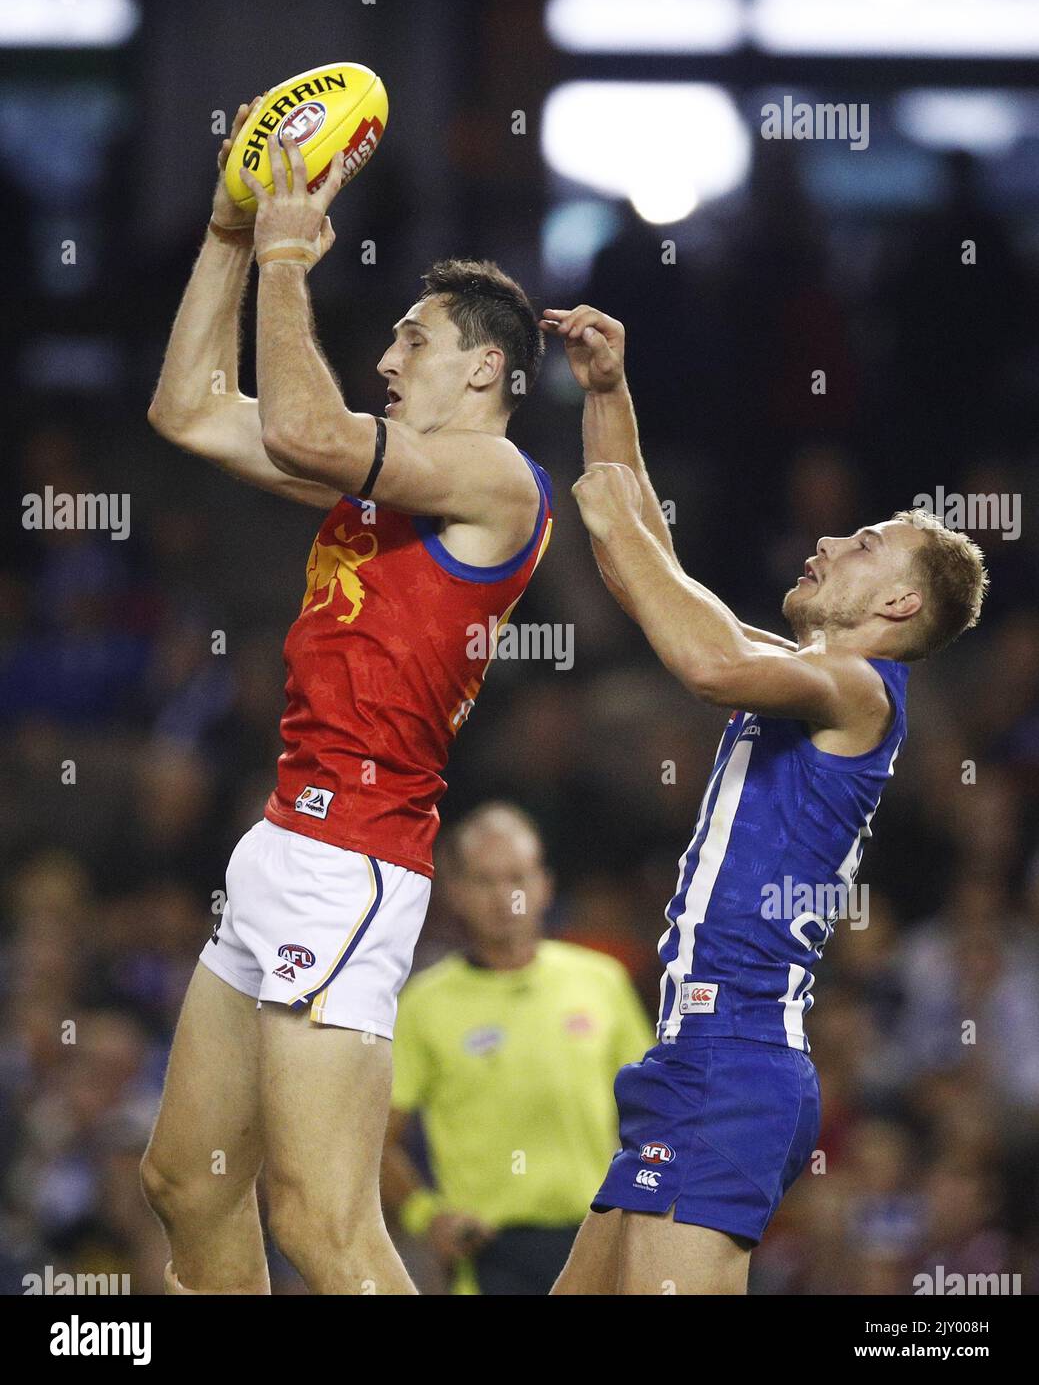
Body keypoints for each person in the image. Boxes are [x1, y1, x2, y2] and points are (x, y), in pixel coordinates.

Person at [140, 102, 552, 1295]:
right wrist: (228, 233)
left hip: (355, 858)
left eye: (411, 341)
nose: (387, 358)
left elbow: (309, 425)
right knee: (186, 1182)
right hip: (282, 839)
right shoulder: (381, 476)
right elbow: (184, 409)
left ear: (485, 366)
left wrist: (283, 252)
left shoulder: (495, 479)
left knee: (324, 1228)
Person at [541, 304, 988, 1295]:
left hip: (734, 1060)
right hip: (695, 1056)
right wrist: (608, 395)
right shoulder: (804, 674)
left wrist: (597, 509)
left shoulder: (858, 689)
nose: (828, 538)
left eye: (865, 542)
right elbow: (654, 564)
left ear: (899, 607)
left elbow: (694, 648)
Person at [382, 802, 653, 1294]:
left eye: (517, 877)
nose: (504, 896)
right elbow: (376, 1139)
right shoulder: (424, 1004)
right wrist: (428, 1217)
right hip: (489, 1251)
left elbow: (656, 1110)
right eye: (484, 881)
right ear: (456, 892)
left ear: (545, 885)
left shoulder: (601, 980)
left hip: (599, 1237)